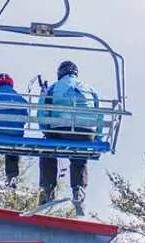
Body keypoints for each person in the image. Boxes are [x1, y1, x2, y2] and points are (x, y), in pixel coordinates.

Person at [36, 59, 99, 214]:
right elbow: (99, 114)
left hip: (61, 130)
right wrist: (97, 136)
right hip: (85, 132)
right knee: (80, 154)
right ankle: (78, 190)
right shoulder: (90, 89)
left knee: (47, 152)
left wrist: (46, 131)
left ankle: (47, 190)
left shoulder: (53, 88)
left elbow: (42, 112)